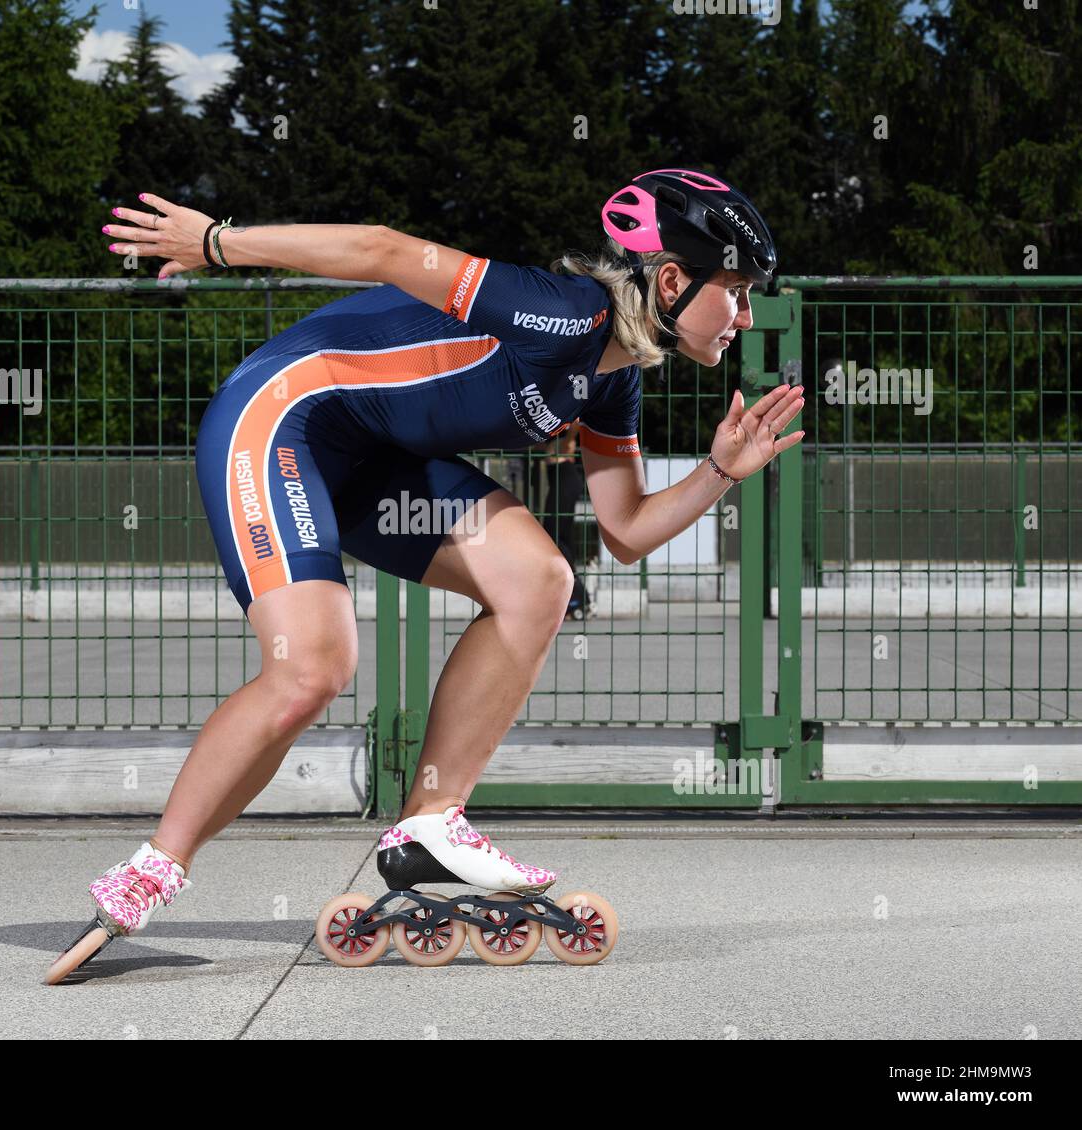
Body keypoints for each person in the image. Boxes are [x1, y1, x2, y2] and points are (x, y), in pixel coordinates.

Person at [68, 168, 805, 956]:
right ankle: (153, 867)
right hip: (282, 423)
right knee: (313, 667)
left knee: (539, 581)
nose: (747, 315)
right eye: (737, 291)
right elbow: (383, 250)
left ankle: (430, 819)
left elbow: (623, 529)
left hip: (372, 463)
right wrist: (216, 242)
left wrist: (718, 470)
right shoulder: (560, 313)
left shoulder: (610, 383)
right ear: (670, 279)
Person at [538, 425, 593, 619]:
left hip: (565, 483)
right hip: (562, 485)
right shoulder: (548, 441)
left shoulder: (565, 442)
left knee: (552, 533)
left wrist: (570, 422)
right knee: (561, 535)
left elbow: (576, 426)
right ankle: (577, 596)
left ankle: (574, 587)